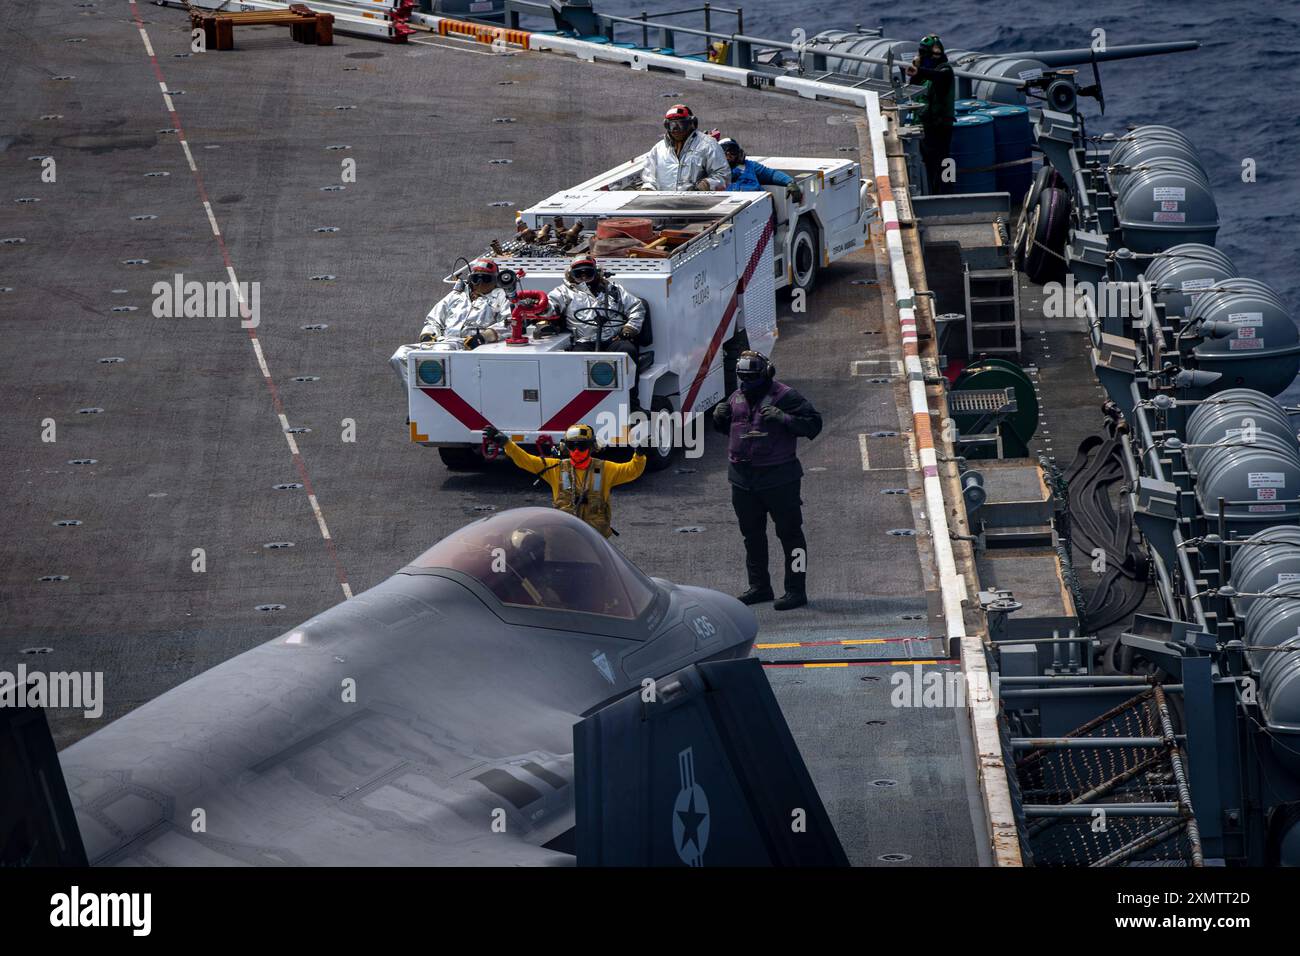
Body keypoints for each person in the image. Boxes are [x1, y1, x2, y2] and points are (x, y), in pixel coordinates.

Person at [711, 351, 822, 610]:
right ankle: (760, 586)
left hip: (779, 479)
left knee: (791, 534)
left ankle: (796, 590)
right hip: (742, 480)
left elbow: (814, 424)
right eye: (742, 377)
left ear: (766, 375)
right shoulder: (736, 397)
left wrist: (785, 419)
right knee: (752, 536)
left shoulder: (786, 396)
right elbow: (731, 430)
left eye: (751, 377)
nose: (746, 383)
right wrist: (719, 417)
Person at [486, 423, 645, 538]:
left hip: (596, 540)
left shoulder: (605, 469)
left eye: (581, 446)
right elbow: (527, 460)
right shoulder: (555, 468)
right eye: (572, 446)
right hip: (563, 538)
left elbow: (632, 470)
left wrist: (639, 454)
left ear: (591, 447)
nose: (576, 451)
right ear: (565, 447)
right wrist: (507, 444)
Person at [542, 255, 647, 411]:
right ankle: (579, 407)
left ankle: (631, 402)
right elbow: (551, 305)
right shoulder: (564, 292)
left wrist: (629, 329)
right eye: (579, 274)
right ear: (571, 275)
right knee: (574, 362)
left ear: (596, 272)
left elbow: (636, 308)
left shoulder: (613, 290)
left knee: (627, 352)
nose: (584, 277)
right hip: (584, 341)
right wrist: (542, 306)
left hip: (613, 339)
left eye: (588, 273)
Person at [390, 258, 512, 387]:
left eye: (486, 279)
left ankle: (440, 398)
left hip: (468, 345)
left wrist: (483, 337)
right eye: (476, 278)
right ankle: (420, 396)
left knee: (438, 354)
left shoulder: (501, 296)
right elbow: (434, 319)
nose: (480, 283)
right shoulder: (456, 296)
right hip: (443, 341)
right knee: (400, 356)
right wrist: (428, 334)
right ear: (470, 279)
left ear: (495, 280)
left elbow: (509, 323)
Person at [905, 34, 956, 196]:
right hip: (925, 125)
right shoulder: (925, 72)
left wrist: (920, 70)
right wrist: (916, 70)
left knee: (944, 162)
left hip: (940, 127)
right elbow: (914, 85)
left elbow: (938, 77)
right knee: (927, 164)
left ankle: (947, 194)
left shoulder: (945, 70)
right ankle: (933, 194)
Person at [641, 103, 729, 192]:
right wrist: (648, 188)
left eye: (680, 124)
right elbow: (649, 177)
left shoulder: (708, 145)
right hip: (664, 204)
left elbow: (723, 175)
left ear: (691, 123)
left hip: (698, 203)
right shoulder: (658, 149)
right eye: (671, 125)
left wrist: (705, 185)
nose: (675, 129)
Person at [719, 137, 804, 203]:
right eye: (725, 153)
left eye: (732, 152)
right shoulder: (715, 172)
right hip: (729, 207)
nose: (729, 156)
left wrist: (790, 182)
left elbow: (771, 175)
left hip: (757, 205)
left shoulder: (750, 166)